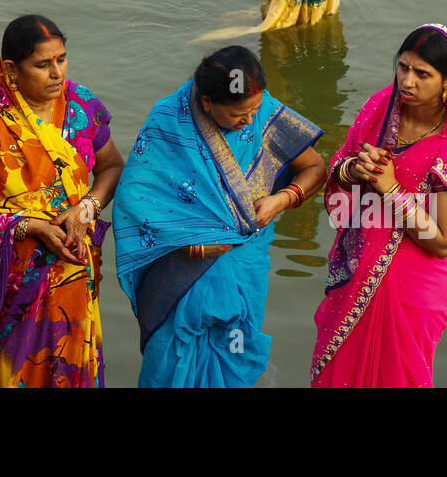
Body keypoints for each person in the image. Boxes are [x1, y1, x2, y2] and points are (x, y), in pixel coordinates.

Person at [114, 45, 328, 387]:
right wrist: (195, 246)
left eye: (254, 110)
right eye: (238, 115)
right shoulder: (168, 121)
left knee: (234, 349)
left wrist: (283, 199)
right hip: (179, 273)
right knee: (171, 360)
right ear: (206, 103)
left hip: (244, 262)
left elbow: (316, 168)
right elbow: (136, 200)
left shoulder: (263, 110)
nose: (249, 121)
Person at [0, 14, 125, 387]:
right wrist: (29, 226)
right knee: (17, 373)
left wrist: (87, 207)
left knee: (73, 368)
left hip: (74, 272)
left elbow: (111, 167)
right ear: (11, 69)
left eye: (61, 59)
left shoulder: (81, 106)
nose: (56, 73)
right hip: (18, 285)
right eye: (42, 65)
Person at [311, 24, 447, 387]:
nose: (407, 81)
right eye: (403, 67)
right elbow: (338, 170)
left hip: (409, 293)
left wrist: (390, 190)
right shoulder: (379, 107)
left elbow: (443, 241)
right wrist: (354, 171)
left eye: (423, 74)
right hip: (357, 271)